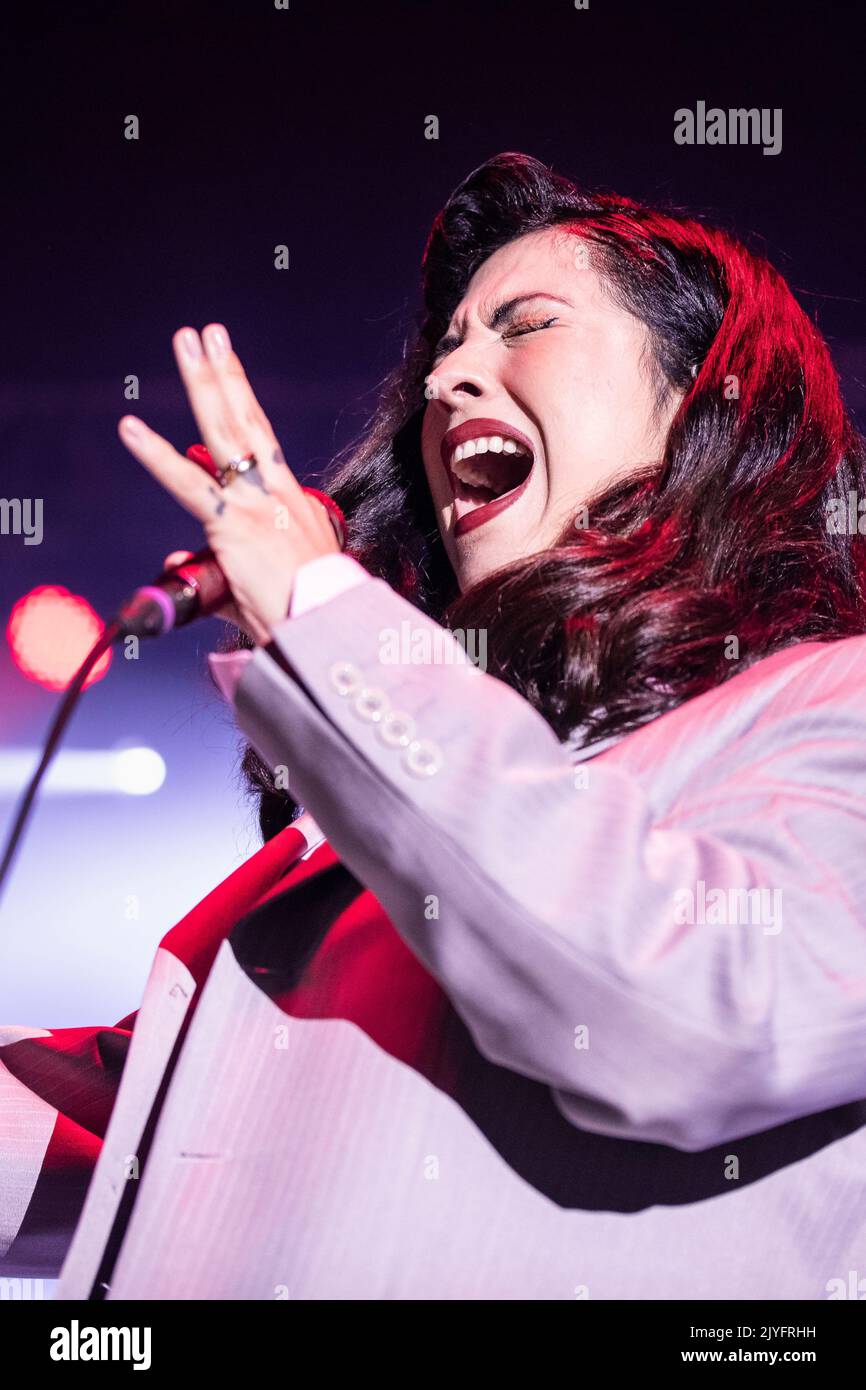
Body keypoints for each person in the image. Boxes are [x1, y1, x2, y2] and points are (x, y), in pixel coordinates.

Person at [2, 151, 866, 1300]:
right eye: (446, 347)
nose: (449, 376)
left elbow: (696, 1007)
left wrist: (321, 611)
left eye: (525, 324)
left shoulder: (830, 709)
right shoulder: (360, 835)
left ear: (703, 395)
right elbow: (131, 1164)